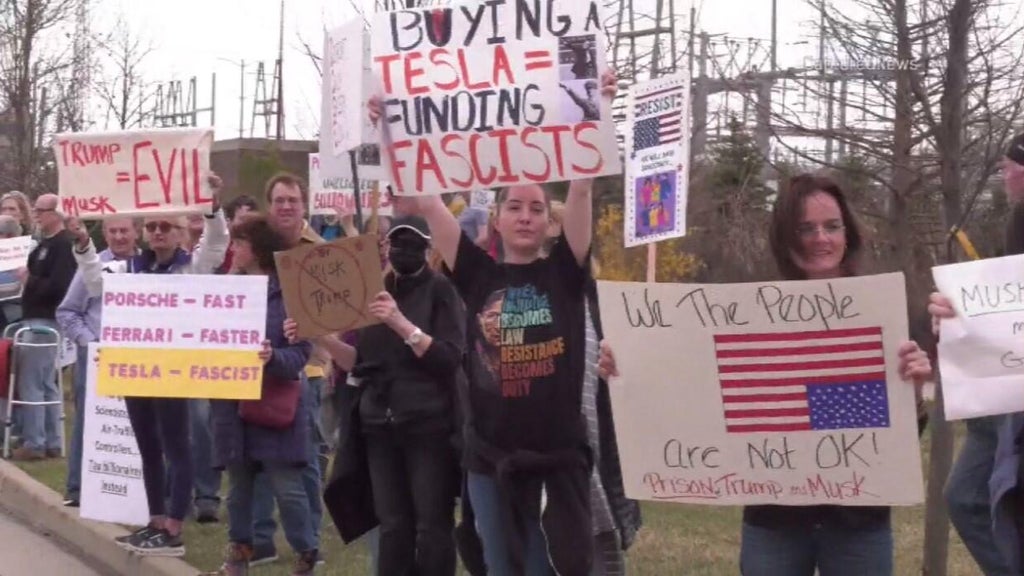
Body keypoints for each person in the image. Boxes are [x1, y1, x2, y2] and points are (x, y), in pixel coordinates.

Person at [598, 173, 932, 576]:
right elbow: (693, 389)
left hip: (858, 520)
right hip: (775, 521)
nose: (821, 238)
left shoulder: (881, 314)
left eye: (831, 226)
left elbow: (895, 436)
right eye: (805, 228)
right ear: (785, 237)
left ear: (848, 232)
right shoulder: (751, 316)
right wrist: (628, 367)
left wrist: (910, 390)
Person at [366, 68, 618, 575]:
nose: (526, 216)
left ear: (550, 221)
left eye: (536, 209)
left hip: (558, 462)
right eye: (515, 207)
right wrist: (390, 128)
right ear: (497, 218)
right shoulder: (476, 274)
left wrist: (600, 106)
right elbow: (430, 199)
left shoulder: (564, 272)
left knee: (554, 568)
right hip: (490, 461)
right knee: (501, 569)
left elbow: (584, 187)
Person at [295, 215, 466, 576]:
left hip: (427, 426)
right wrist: (318, 337)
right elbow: (358, 362)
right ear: (385, 247)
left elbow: (449, 357)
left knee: (432, 524)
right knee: (392, 524)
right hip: (378, 426)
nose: (403, 250)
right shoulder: (372, 293)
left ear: (427, 248)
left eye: (413, 243)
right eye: (395, 242)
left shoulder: (441, 291)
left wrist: (400, 323)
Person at [68, 174, 228, 556]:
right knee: (147, 446)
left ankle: (174, 524)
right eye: (152, 226)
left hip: (173, 370)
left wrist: (212, 207)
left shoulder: (193, 267)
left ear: (178, 234)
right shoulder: (130, 270)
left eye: (166, 227)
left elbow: (218, 243)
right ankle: (155, 520)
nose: (157, 232)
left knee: (177, 445)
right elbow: (94, 282)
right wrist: (83, 243)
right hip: (135, 367)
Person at [928, 133, 1024, 576]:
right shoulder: (1017, 220)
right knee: (966, 497)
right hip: (1005, 388)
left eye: (1008, 166)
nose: (1004, 175)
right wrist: (956, 319)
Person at [210, 214, 317, 576]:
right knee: (238, 491)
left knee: (287, 489)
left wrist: (273, 357)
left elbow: (302, 353)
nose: (233, 250)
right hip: (233, 407)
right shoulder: (226, 290)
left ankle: (306, 556)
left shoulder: (287, 292)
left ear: (257, 248)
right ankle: (237, 561)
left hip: (275, 408)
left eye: (238, 243)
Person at [250, 172, 328, 566]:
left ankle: (310, 542)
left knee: (305, 462)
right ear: (270, 205)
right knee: (258, 462)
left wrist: (310, 329)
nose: (285, 207)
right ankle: (260, 540)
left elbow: (337, 314)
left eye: (292, 200)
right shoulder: (257, 249)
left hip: (308, 371)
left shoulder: (321, 252)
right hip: (257, 369)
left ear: (304, 204)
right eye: (279, 200)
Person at [55, 217, 140, 507]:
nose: (118, 236)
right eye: (113, 231)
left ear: (135, 232)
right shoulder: (92, 266)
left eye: (124, 230)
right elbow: (67, 311)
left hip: (137, 361)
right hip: (96, 357)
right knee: (87, 422)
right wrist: (90, 343)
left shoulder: (147, 267)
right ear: (104, 233)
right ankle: (77, 488)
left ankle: (130, 493)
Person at [10, 193, 78, 462]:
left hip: (45, 320)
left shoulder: (62, 247)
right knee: (46, 383)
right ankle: (51, 440)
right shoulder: (44, 246)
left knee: (31, 381)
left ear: (55, 213)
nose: (36, 215)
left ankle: (35, 442)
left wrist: (30, 280)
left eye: (40, 211)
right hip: (37, 318)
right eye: (35, 210)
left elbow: (61, 287)